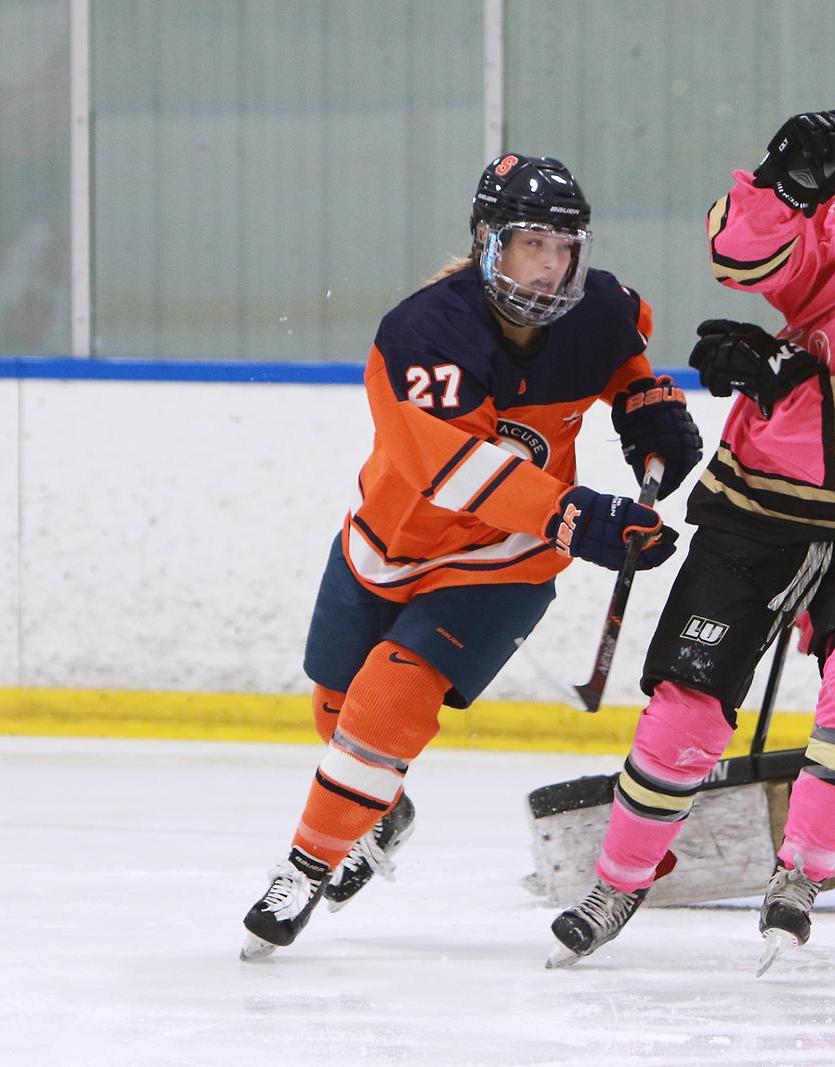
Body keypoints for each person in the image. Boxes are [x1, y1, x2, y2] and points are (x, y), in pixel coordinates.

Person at [547, 109, 835, 973]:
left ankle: (802, 871)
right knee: (686, 708)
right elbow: (742, 256)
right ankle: (619, 877)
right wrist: (786, 185)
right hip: (756, 507)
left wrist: (781, 377)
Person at [239, 152, 703, 961]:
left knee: (390, 698)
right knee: (335, 702)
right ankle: (382, 809)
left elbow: (624, 351)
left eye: (567, 247)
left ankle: (306, 864)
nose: (554, 266)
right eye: (534, 244)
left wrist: (644, 402)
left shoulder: (596, 307)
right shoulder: (424, 331)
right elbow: (449, 468)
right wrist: (576, 514)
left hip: (506, 560)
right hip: (390, 541)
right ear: (488, 240)